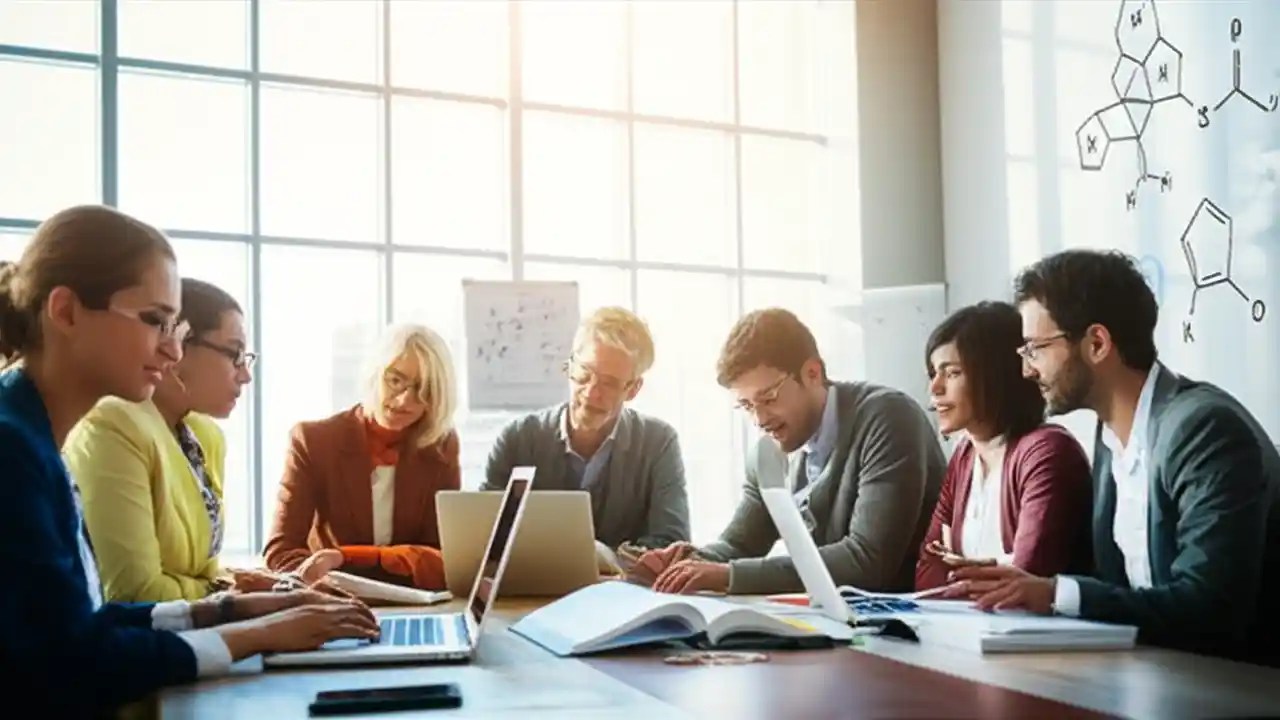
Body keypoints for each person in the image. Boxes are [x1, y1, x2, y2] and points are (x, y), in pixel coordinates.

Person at [0, 205, 377, 715]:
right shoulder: (13, 451)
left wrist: (232, 609)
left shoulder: (32, 435)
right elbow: (73, 663)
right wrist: (260, 634)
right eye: (155, 321)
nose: (172, 352)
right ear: (66, 312)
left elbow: (82, 624)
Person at [953, 249, 1280, 666]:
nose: (1027, 370)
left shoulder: (1203, 430)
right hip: (1156, 673)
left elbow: (1210, 610)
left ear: (1097, 344)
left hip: (1236, 684)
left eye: (1036, 349)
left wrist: (1057, 593)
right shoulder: (1109, 435)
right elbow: (1123, 592)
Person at [642, 308, 946, 595]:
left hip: (910, 619)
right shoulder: (769, 449)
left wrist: (729, 575)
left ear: (812, 373)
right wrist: (688, 562)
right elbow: (739, 545)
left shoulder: (888, 418)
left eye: (769, 398)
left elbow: (868, 560)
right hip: (835, 619)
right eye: (747, 405)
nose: (759, 420)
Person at [64, 279, 254, 602]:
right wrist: (227, 593)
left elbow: (203, 572)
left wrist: (268, 587)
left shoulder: (205, 436)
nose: (245, 375)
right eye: (234, 354)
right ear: (179, 344)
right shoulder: (113, 423)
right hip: (134, 632)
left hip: (196, 625)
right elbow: (134, 593)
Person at [264, 323, 461, 590]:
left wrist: (346, 556)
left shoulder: (441, 446)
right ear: (373, 375)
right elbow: (280, 552)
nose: (404, 401)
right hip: (330, 599)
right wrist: (325, 584)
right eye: (395, 381)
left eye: (423, 389)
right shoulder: (314, 441)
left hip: (412, 600)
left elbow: (441, 557)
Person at [914, 301, 1093, 591]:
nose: (934, 388)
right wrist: (973, 578)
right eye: (934, 373)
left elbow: (1025, 577)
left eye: (952, 373)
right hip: (971, 618)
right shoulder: (965, 454)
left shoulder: (1047, 452)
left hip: (1033, 621)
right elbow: (927, 571)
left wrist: (960, 575)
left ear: (995, 375)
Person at [484, 306, 690, 550]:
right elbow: (485, 533)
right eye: (584, 373)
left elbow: (671, 542)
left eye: (609, 383)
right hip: (534, 576)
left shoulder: (658, 443)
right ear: (570, 365)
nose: (591, 393)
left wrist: (606, 560)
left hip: (621, 577)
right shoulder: (517, 439)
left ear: (633, 389)